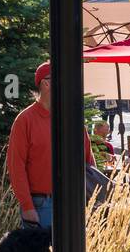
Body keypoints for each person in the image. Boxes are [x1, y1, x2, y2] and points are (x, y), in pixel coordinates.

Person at [5, 61, 94, 228]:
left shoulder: (73, 119)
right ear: (46, 83)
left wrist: (90, 197)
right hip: (41, 205)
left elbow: (88, 161)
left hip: (73, 203)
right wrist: (27, 206)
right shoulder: (25, 120)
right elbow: (16, 166)